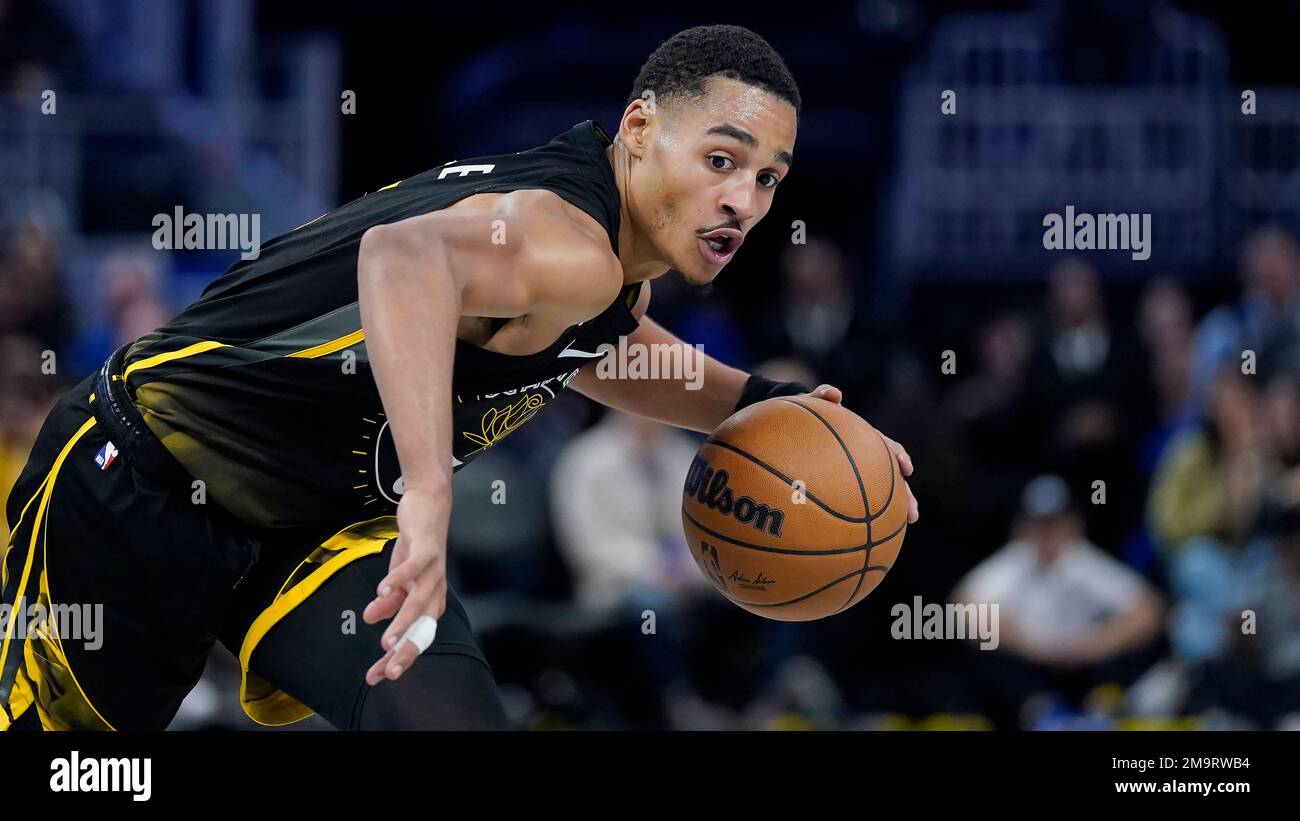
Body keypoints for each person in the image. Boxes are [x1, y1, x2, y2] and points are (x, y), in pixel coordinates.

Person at [1, 24, 917, 731]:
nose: (744, 202)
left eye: (767, 179)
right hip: (140, 485)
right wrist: (430, 496)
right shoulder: (570, 244)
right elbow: (398, 258)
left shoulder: (599, 264)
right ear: (640, 129)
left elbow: (609, 347)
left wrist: (762, 403)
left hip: (308, 528)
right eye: (722, 161)